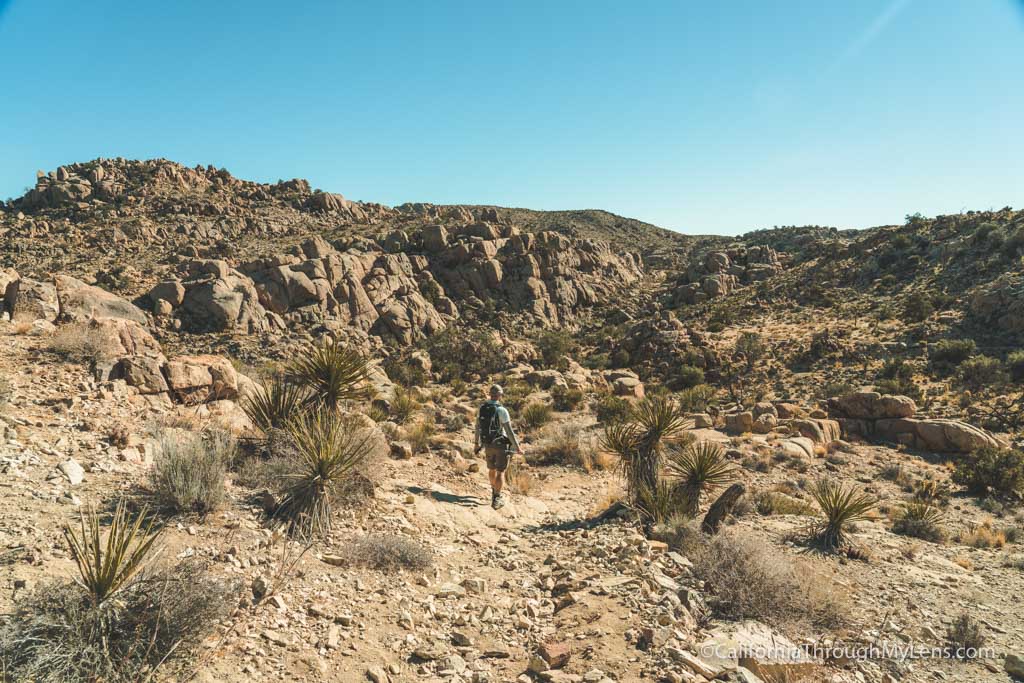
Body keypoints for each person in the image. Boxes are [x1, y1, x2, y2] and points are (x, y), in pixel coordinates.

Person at [474, 384, 523, 509]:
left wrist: (476, 444)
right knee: (501, 471)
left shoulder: (482, 408)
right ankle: (496, 498)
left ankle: (493, 489)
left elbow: (477, 427)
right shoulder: (502, 410)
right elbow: (509, 431)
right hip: (500, 444)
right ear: (500, 395)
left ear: (490, 394)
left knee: (491, 469)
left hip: (487, 443)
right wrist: (517, 447)